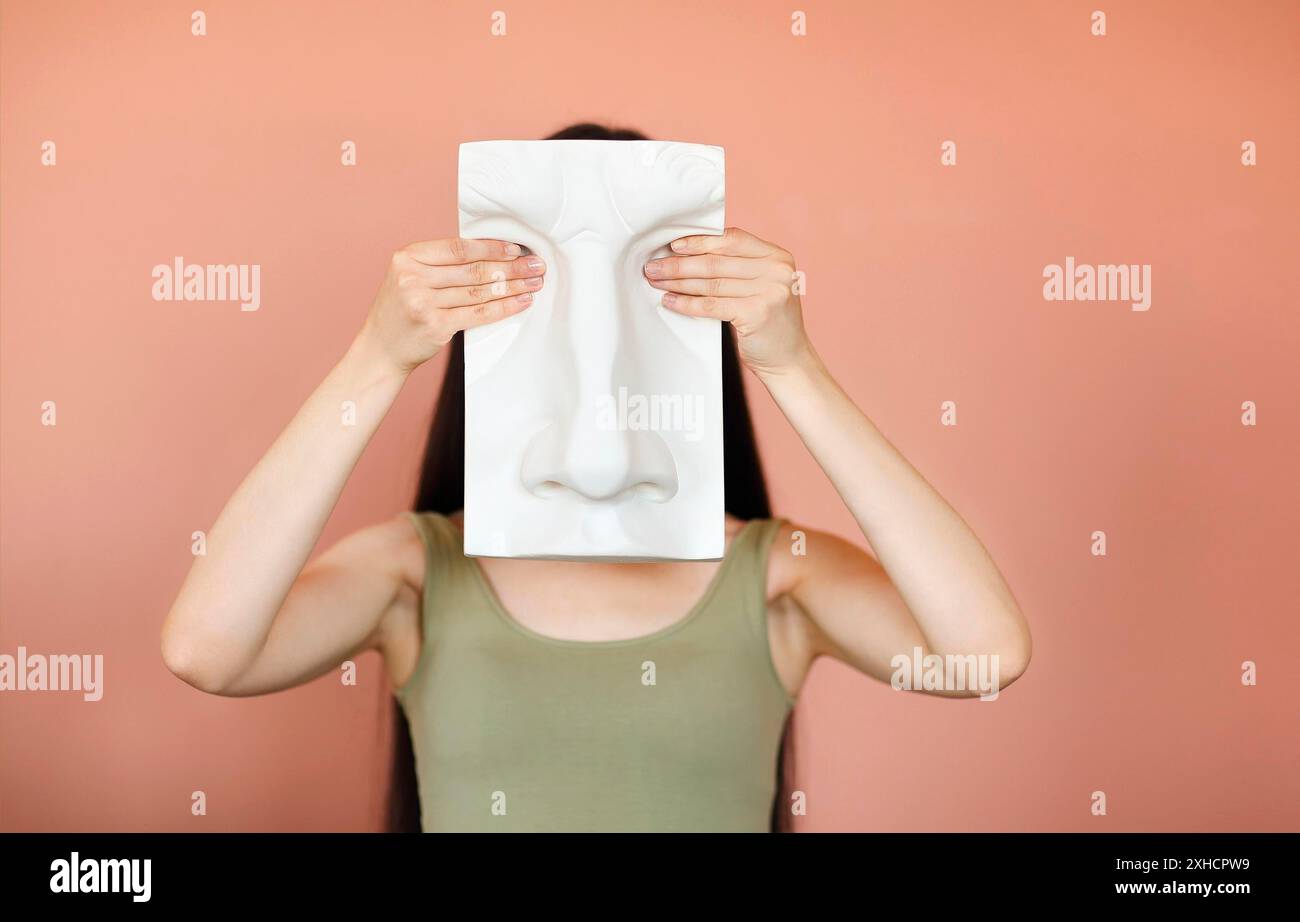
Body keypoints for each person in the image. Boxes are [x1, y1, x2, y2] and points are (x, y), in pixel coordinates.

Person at [160, 123, 1031, 832]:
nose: (596, 352)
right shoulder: (417, 575)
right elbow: (208, 650)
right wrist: (376, 359)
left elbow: (983, 655)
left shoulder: (775, 580)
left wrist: (796, 368)